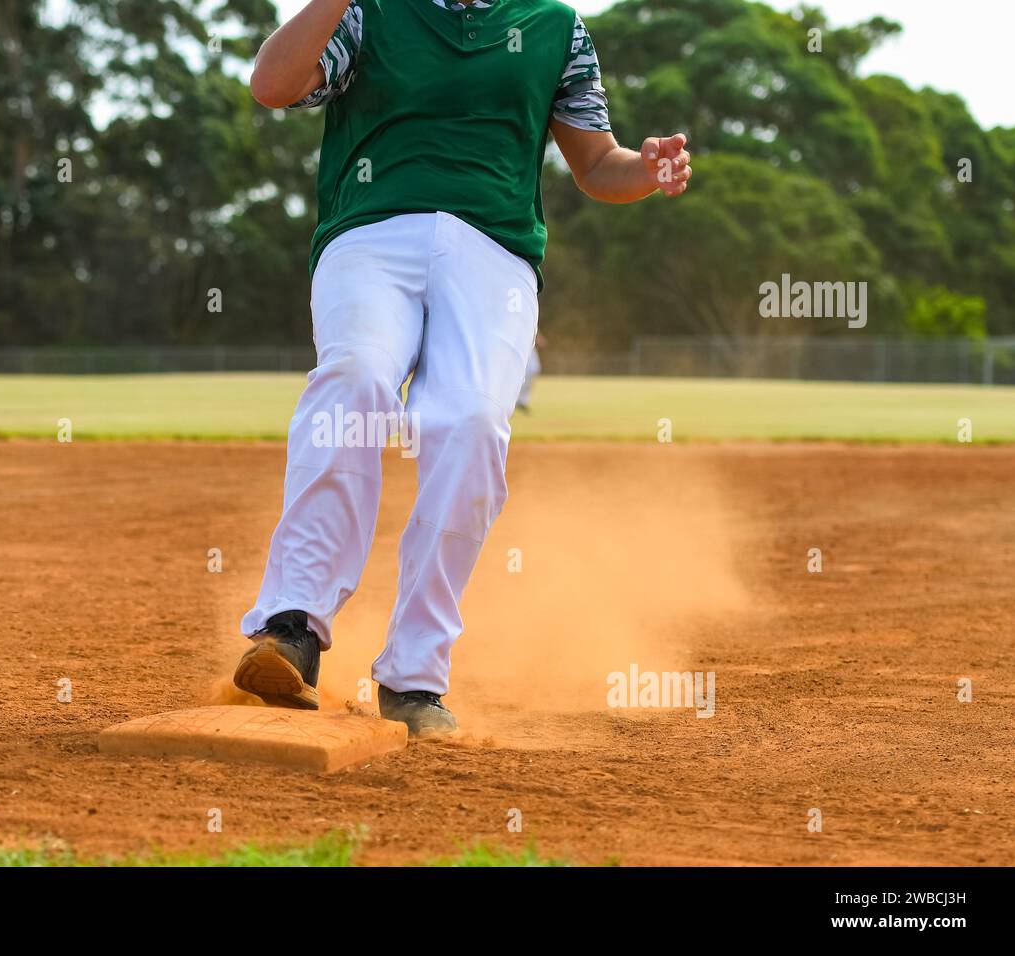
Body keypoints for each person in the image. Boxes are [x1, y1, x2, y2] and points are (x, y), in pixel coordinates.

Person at [232, 0, 692, 736]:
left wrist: (649, 168)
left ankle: (414, 675)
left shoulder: (555, 27)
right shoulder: (370, 11)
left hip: (494, 252)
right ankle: (292, 627)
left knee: (472, 422)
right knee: (354, 380)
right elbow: (273, 86)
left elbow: (597, 164)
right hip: (369, 236)